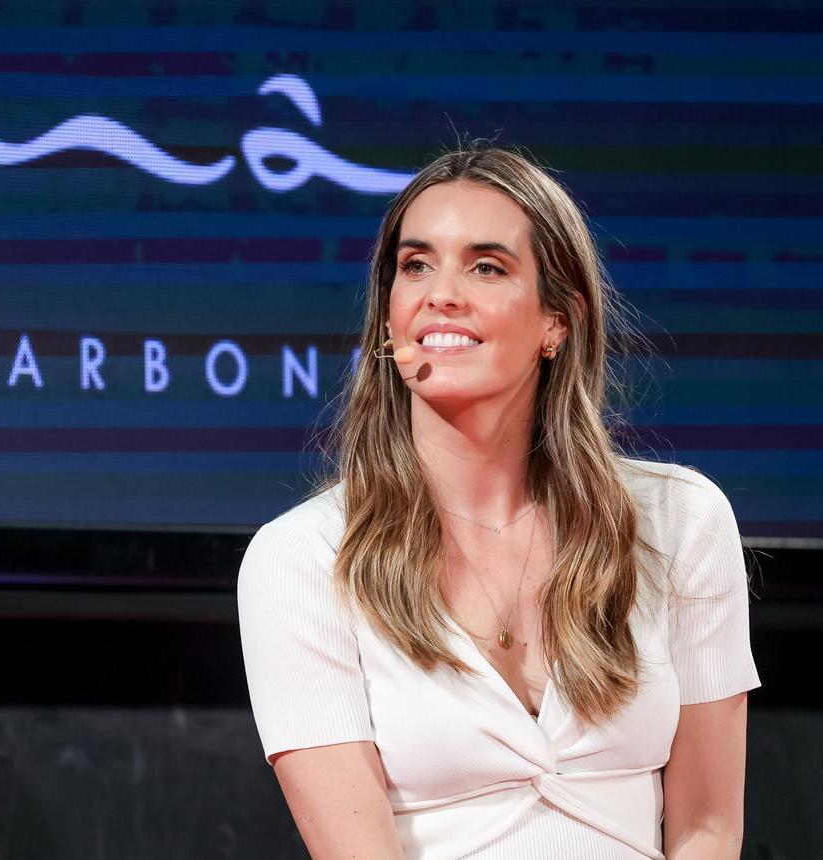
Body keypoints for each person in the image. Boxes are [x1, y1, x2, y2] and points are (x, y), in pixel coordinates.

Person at [236, 145, 760, 859]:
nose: (440, 293)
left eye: (486, 266)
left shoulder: (681, 522)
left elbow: (709, 827)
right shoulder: (301, 559)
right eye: (416, 265)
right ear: (389, 318)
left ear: (557, 321)